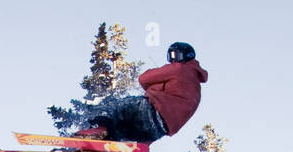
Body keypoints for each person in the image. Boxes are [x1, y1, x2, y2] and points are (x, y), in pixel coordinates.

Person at [73, 41, 208, 144]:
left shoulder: (179, 68)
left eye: (176, 55)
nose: (173, 59)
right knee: (122, 129)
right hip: (160, 129)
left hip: (151, 112)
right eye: (171, 56)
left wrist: (154, 88)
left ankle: (98, 129)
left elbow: (144, 78)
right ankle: (111, 142)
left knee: (113, 106)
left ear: (188, 56)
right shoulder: (195, 85)